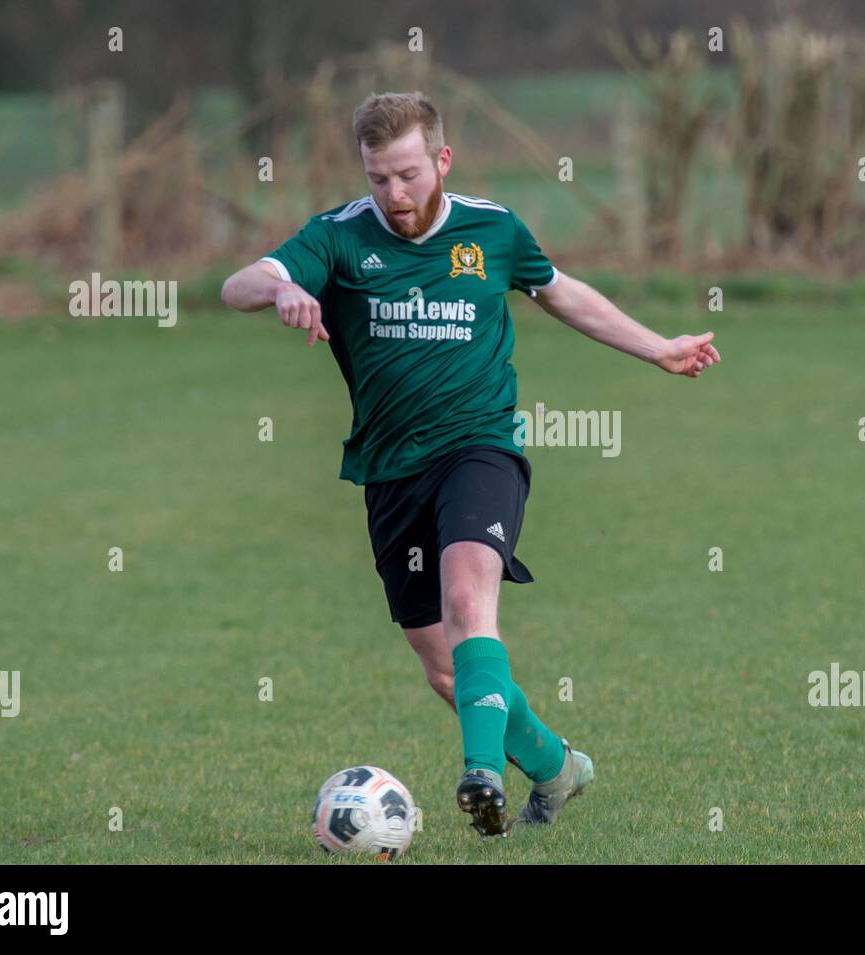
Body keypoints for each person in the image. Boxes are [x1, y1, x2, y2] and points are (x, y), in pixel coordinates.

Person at [221, 90, 721, 838]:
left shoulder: (492, 229)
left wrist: (658, 347)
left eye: (409, 173)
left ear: (442, 160)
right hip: (390, 470)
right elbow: (237, 285)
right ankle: (556, 764)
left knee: (467, 599)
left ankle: (481, 773)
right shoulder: (339, 237)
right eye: (379, 176)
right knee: (446, 670)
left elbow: (562, 293)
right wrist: (286, 286)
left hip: (479, 449)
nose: (395, 193)